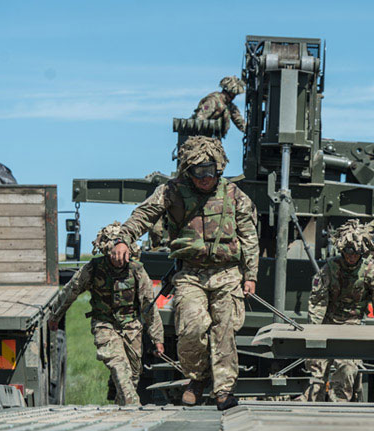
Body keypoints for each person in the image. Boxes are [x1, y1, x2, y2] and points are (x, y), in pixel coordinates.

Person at [110, 137, 258, 410]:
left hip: (227, 273)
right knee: (192, 328)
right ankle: (197, 378)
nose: (205, 178)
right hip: (190, 273)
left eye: (211, 171)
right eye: (199, 172)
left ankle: (224, 391)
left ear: (220, 168)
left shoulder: (235, 196)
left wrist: (250, 275)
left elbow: (249, 236)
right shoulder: (172, 191)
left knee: (224, 330)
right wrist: (123, 238)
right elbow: (143, 215)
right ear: (188, 171)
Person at [49, 224, 165, 406]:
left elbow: (148, 306)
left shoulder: (137, 271)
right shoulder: (93, 269)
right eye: (114, 255)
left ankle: (121, 414)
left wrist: (157, 339)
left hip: (131, 327)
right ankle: (132, 407)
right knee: (119, 367)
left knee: (132, 377)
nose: (119, 260)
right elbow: (71, 291)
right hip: (104, 325)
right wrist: (55, 316)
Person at [303, 220, 374, 402]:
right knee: (316, 372)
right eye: (348, 252)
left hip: (352, 326)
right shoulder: (330, 269)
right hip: (327, 324)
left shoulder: (370, 272)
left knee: (347, 371)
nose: (352, 257)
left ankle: (340, 409)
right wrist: (314, 331)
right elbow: (317, 302)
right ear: (342, 250)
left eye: (356, 253)